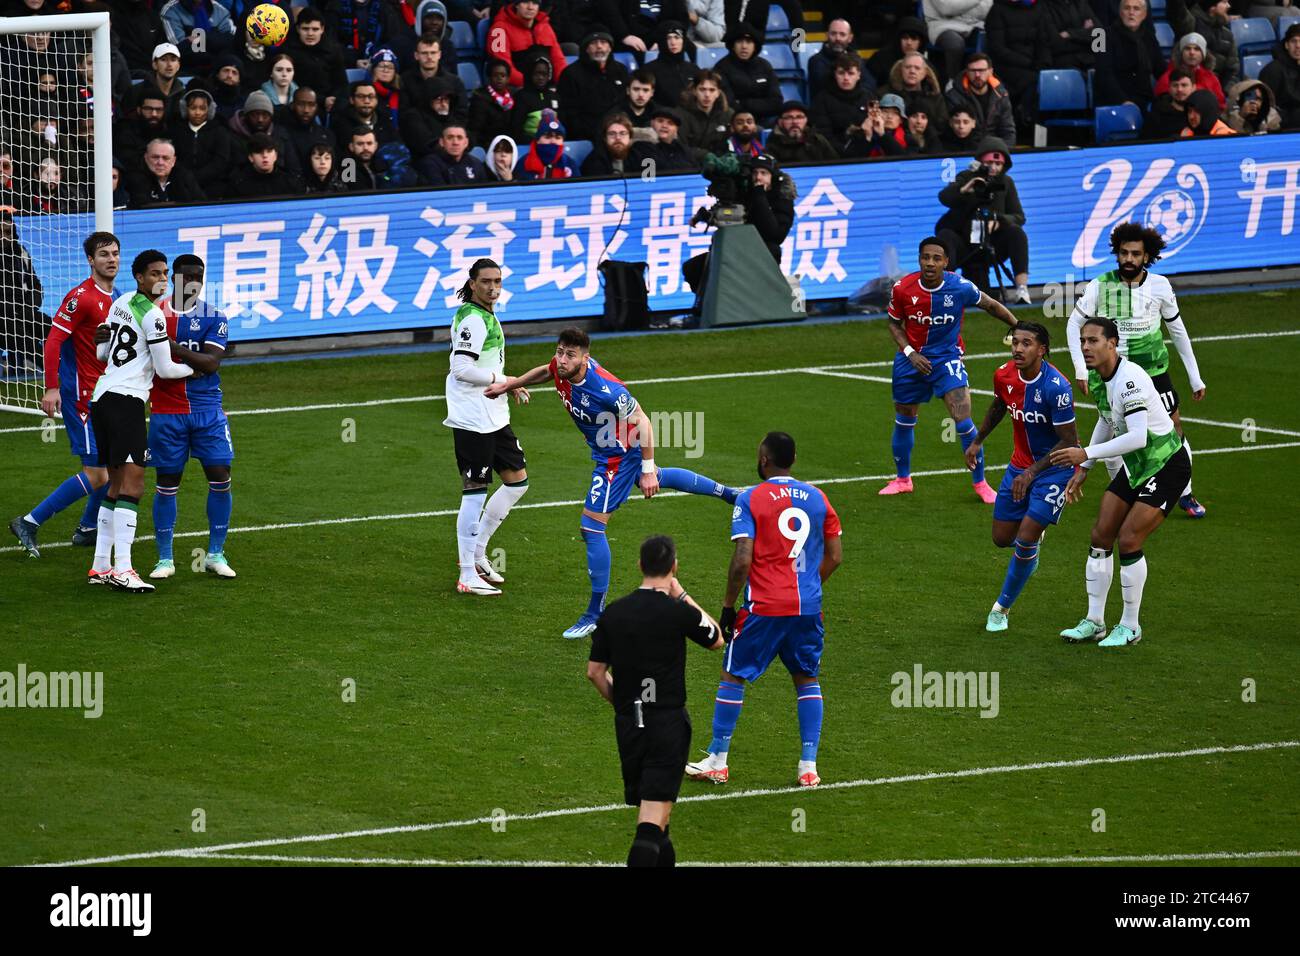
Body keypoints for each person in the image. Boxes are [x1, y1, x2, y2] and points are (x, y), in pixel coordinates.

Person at [483, 327, 740, 638]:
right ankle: (731, 495)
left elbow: (643, 421)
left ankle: (595, 612)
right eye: (560, 352)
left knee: (591, 527)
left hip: (618, 457)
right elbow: (546, 371)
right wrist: (513, 383)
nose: (562, 360)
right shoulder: (562, 367)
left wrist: (645, 468)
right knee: (660, 478)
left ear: (585, 358)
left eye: (570, 355)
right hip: (608, 450)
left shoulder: (606, 391)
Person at [686, 431, 843, 787]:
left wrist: (727, 608)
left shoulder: (751, 498)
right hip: (807, 607)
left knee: (734, 674)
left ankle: (717, 759)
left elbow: (742, 560)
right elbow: (835, 556)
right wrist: (808, 587)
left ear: (764, 460)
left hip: (764, 606)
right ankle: (808, 767)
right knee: (806, 678)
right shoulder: (819, 498)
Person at [1051, 317, 1192, 647]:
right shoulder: (1101, 379)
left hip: (1167, 465)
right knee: (1101, 534)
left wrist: (1084, 451)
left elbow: (1138, 438)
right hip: (1139, 467)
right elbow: (1105, 418)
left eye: (1093, 341)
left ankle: (1130, 625)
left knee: (1129, 538)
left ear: (1112, 344)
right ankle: (1094, 621)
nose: (1085, 347)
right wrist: (1085, 465)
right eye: (1083, 341)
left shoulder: (1130, 379)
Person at [587, 534, 723, 867]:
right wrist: (682, 594)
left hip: (630, 725)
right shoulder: (677, 612)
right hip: (666, 724)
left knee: (659, 823)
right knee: (650, 827)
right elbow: (717, 638)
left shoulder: (614, 614)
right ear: (674, 567)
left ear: (639, 566)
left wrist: (624, 706)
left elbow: (595, 672)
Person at [1066, 221, 1207, 517]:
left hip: (1153, 371)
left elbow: (1177, 331)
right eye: (1124, 253)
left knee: (1174, 427)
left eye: (1135, 254)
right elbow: (1073, 323)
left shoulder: (1160, 286)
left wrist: (1194, 376)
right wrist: (1080, 369)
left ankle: (1186, 492)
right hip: (1111, 374)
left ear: (1147, 257)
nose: (1129, 259)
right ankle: (1125, 491)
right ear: (1117, 254)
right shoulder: (1100, 285)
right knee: (1115, 426)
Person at [87, 250, 196, 592]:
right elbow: (165, 369)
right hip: (126, 401)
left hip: (102, 397)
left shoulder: (120, 302)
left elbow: (103, 353)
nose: (163, 280)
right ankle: (125, 569)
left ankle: (101, 566)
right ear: (139, 277)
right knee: (133, 486)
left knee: (115, 485)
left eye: (165, 274)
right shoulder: (154, 316)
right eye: (155, 274)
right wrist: (196, 367)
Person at [878, 236, 1017, 501]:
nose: (930, 263)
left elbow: (990, 304)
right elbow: (894, 323)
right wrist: (911, 353)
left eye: (936, 258)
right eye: (925, 257)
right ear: (919, 259)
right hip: (911, 362)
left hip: (947, 360)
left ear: (946, 262)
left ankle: (981, 484)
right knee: (905, 421)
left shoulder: (960, 287)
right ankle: (903, 479)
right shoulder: (903, 288)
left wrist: (1019, 325)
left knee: (963, 421)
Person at [963, 323, 1078, 632]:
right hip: (1020, 468)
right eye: (1015, 342)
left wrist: (1031, 473)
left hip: (1055, 469)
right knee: (1002, 539)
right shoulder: (1003, 375)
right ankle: (1032, 539)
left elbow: (1069, 440)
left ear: (1042, 350)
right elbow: (1000, 404)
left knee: (1025, 538)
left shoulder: (1057, 387)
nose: (1018, 348)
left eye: (1026, 343)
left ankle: (1001, 608)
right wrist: (978, 440)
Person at [9, 233, 118, 558]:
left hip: (107, 395)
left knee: (112, 468)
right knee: (97, 474)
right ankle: (29, 521)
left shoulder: (118, 297)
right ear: (90, 260)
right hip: (81, 397)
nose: (110, 259)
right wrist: (52, 387)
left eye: (114, 253)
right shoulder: (81, 297)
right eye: (103, 255)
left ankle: (87, 528)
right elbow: (53, 341)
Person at [442, 259, 530, 596]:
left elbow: (487, 363)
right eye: (487, 282)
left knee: (517, 482)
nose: (493, 288)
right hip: (472, 418)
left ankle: (478, 553)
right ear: (473, 283)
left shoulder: (485, 314)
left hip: (494, 414)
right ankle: (467, 574)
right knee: (474, 492)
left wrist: (508, 383)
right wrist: (506, 380)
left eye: (498, 281)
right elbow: (461, 369)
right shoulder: (473, 319)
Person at [146, 254, 236, 580]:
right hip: (167, 412)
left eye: (198, 276)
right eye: (187, 276)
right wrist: (191, 361)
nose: (193, 282)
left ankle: (215, 553)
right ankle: (165, 559)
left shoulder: (215, 316)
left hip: (207, 411)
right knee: (168, 481)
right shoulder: (155, 313)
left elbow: (211, 363)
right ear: (174, 279)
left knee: (220, 474)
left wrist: (173, 348)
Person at [934, 137, 1030, 302]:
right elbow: (944, 197)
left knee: (1017, 233)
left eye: (998, 164)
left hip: (991, 244)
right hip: (964, 244)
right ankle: (945, 290)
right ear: (980, 162)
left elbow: (1019, 216)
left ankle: (1022, 290)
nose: (993, 167)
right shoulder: (966, 176)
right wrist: (966, 188)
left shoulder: (1006, 182)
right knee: (945, 235)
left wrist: (999, 221)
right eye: (989, 163)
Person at [557, 28, 633, 143]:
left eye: (603, 42)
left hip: (618, 132)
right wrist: (598, 133)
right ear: (586, 49)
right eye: (593, 43)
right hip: (587, 136)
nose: (599, 46)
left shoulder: (620, 70)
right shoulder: (570, 74)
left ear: (610, 47)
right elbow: (569, 114)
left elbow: (625, 104)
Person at [1093, 0, 1165, 112]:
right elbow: (1103, 75)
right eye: (1127, 8)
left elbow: (1161, 71)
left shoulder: (1149, 37)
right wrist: (1123, 100)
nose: (1131, 12)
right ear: (1120, 12)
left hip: (1145, 100)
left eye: (1136, 9)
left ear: (1144, 15)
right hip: (1114, 102)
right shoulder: (1101, 36)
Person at [488, 0, 568, 87]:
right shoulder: (499, 29)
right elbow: (502, 68)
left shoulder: (545, 26)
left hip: (544, 84)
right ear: (516, 5)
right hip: (519, 86)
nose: (530, 7)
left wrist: (563, 83)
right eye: (525, 2)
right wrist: (533, 85)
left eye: (535, 3)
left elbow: (558, 61)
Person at [715, 21, 782, 125]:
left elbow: (777, 102)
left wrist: (744, 103)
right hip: (736, 122)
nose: (744, 46)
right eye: (739, 41)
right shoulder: (721, 68)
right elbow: (729, 104)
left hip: (765, 119)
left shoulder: (765, 65)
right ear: (732, 45)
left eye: (749, 42)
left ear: (755, 46)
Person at [1165, 0, 1239, 93]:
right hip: (1189, 91)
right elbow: (1176, 12)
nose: (1228, 6)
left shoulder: (1227, 34)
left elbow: (1233, 69)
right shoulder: (1191, 25)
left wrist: (1227, 92)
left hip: (1218, 91)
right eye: (1224, 2)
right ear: (1212, 7)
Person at [944, 52, 1016, 145]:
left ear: (990, 71)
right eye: (973, 71)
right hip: (967, 150)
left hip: (995, 149)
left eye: (982, 70)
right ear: (966, 72)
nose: (977, 75)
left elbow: (1008, 131)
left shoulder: (1001, 95)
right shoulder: (954, 97)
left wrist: (1002, 152)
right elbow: (954, 133)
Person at [923, 0, 993, 87]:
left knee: (992, 37)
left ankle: (985, 84)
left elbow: (988, 9)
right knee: (955, 44)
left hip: (972, 24)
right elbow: (947, 8)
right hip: (942, 25)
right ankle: (952, 82)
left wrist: (958, 10)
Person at [1153, 32, 1226, 110]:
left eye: (1197, 49)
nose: (1192, 52)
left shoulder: (1211, 78)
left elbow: (1221, 106)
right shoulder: (1168, 78)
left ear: (1203, 54)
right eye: (1187, 48)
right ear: (1181, 53)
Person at [128, 138, 207, 207]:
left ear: (173, 161)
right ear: (146, 158)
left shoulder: (184, 177)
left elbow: (201, 204)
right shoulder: (135, 179)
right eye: (155, 157)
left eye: (165, 158)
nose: (160, 162)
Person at [808, 17, 872, 97]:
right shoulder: (816, 61)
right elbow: (826, 86)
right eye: (833, 34)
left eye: (842, 34)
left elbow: (870, 84)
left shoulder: (856, 58)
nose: (837, 38)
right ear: (827, 35)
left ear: (850, 38)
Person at [228, 134, 305, 198]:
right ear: (251, 157)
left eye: (269, 151)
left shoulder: (290, 182)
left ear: (275, 156)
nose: (265, 156)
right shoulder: (238, 185)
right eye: (259, 152)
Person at [646, 20, 701, 109]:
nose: (673, 42)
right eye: (668, 38)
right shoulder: (649, 70)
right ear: (662, 40)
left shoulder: (694, 69)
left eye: (677, 37)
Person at [764, 100, 840, 163]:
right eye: (789, 117)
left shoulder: (818, 140)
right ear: (780, 122)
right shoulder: (773, 142)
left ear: (806, 120)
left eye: (799, 117)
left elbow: (835, 165)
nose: (794, 122)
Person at [679, 69, 733, 152]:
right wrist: (704, 156)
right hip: (689, 162)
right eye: (702, 89)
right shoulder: (681, 115)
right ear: (694, 91)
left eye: (712, 90)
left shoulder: (728, 115)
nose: (707, 95)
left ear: (718, 93)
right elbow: (681, 147)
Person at [516, 108, 580, 178]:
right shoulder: (524, 163)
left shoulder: (569, 164)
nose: (553, 141)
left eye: (558, 138)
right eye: (547, 137)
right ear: (537, 140)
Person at [630, 106, 699, 170]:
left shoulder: (682, 149)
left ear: (676, 129)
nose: (664, 126)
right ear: (652, 123)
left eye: (670, 123)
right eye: (660, 121)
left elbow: (696, 170)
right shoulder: (640, 147)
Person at [418, 122, 492, 183]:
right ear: (442, 142)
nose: (455, 142)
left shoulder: (476, 163)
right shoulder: (430, 163)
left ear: (466, 143)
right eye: (450, 138)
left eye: (459, 138)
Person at [468, 59, 516, 148]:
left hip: (510, 143)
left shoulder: (514, 95)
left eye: (503, 75)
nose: (499, 78)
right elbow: (475, 130)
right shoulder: (479, 98)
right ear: (489, 78)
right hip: (487, 144)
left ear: (508, 78)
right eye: (495, 75)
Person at [1260, 23, 1300, 130]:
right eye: (1294, 41)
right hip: (1283, 125)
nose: (1298, 46)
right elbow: (1266, 105)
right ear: (1286, 45)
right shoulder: (1273, 70)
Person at [1143, 67, 1198, 139]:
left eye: (1184, 85)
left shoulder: (1200, 112)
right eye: (1175, 85)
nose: (1179, 89)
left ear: (1193, 88)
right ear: (1169, 88)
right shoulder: (1157, 115)